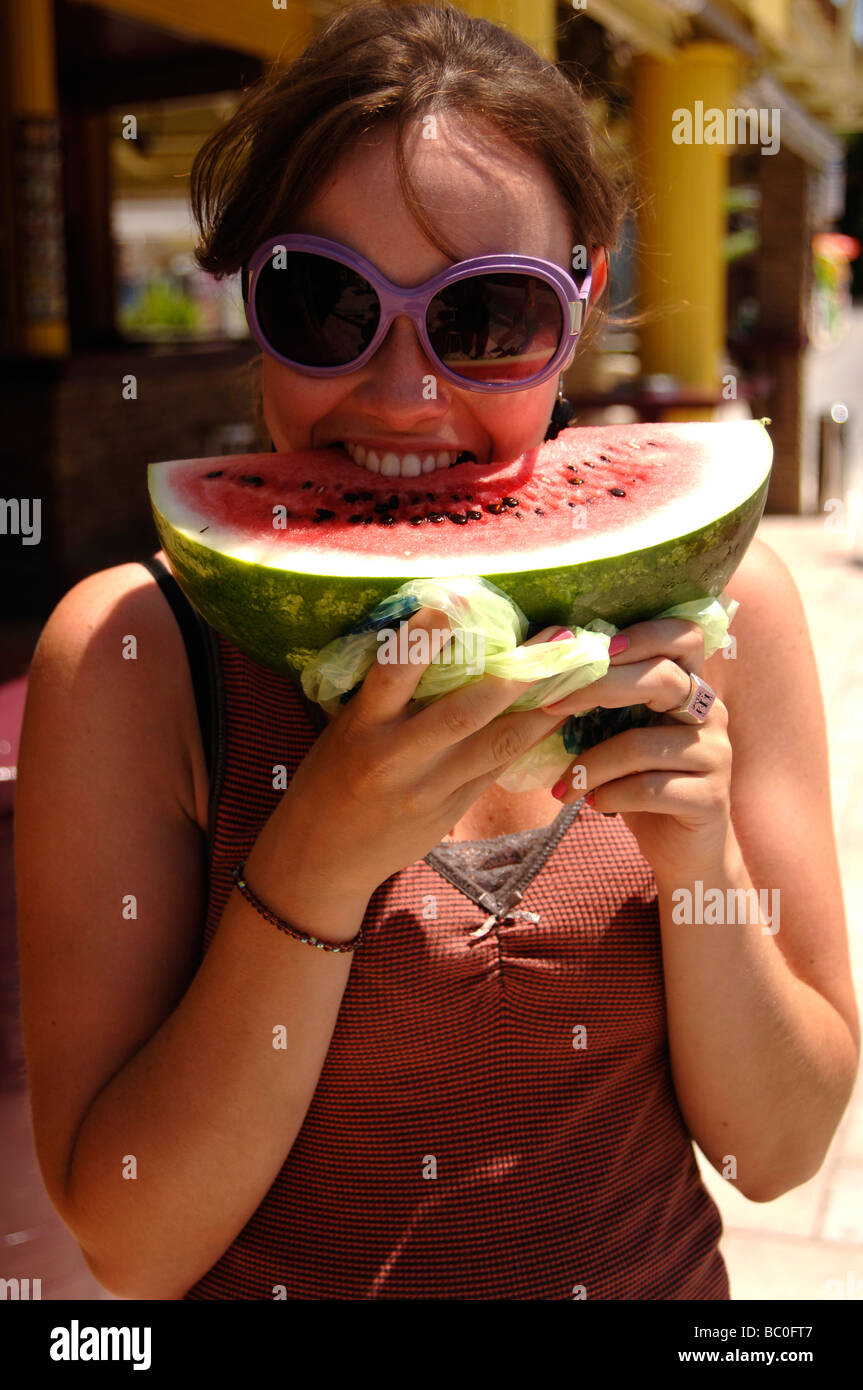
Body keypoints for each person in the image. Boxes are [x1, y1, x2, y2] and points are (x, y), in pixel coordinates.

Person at [14, 2, 858, 1302]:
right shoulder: (133, 657)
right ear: (250, 298)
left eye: (484, 318)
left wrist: (704, 862)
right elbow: (134, 1243)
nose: (406, 392)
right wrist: (316, 858)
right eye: (326, 301)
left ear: (580, 307)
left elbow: (777, 1146)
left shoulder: (724, 610)